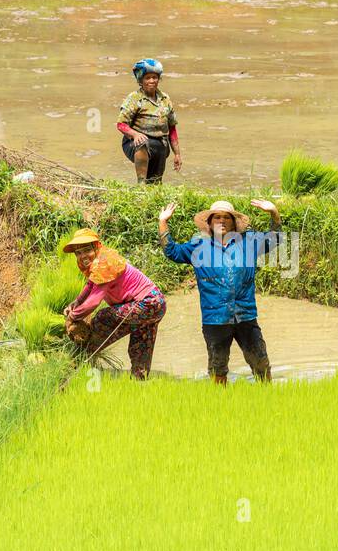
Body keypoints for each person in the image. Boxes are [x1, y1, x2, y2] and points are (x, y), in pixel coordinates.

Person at [158, 198, 281, 385]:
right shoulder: (198, 247)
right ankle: (219, 401)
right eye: (216, 217)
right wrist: (163, 221)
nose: (221, 221)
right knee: (218, 367)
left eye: (226, 218)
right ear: (209, 223)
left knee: (261, 363)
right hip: (215, 318)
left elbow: (275, 239)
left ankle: (268, 397)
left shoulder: (248, 243)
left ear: (234, 223)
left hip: (245, 315)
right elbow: (172, 252)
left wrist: (274, 212)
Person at [62, 229, 166, 380]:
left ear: (96, 247)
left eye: (87, 250)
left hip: (147, 303)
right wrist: (76, 302)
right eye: (78, 253)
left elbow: (94, 301)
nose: (82, 256)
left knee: (102, 316)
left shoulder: (105, 263)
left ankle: (82, 355)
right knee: (141, 344)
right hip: (153, 304)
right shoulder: (99, 262)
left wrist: (72, 317)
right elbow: (90, 286)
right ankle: (140, 384)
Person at [117, 58, 182, 185]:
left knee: (155, 183)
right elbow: (121, 124)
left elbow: (172, 128)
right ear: (141, 80)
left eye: (154, 77)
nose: (151, 81)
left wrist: (177, 154)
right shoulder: (134, 99)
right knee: (143, 142)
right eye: (147, 78)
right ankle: (140, 185)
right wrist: (135, 134)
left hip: (161, 144)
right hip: (135, 143)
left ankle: (151, 195)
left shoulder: (165, 99)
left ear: (159, 79)